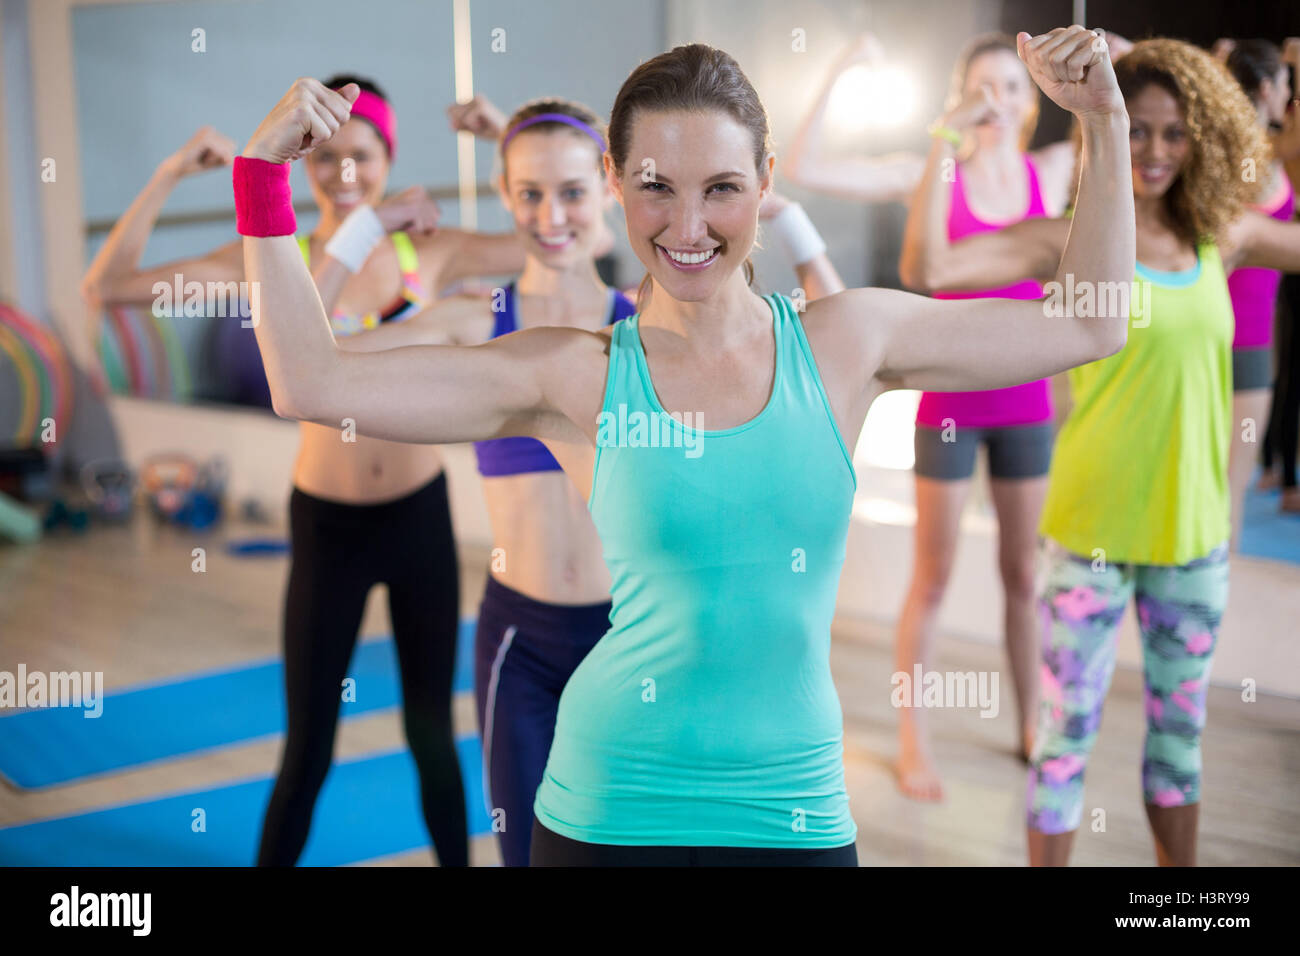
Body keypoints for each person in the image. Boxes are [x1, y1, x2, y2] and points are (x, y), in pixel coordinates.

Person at [235, 25, 1134, 866]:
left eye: (723, 189)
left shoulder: (849, 342)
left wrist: (1103, 121)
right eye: (658, 186)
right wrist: (261, 180)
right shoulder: (572, 374)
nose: (690, 225)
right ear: (619, 186)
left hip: (797, 808)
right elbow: (311, 383)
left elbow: (1090, 324)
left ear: (766, 180)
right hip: (609, 808)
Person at [341, 96, 844, 865]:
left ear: (604, 193)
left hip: (638, 642)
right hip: (524, 638)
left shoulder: (642, 325)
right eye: (528, 193)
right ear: (505, 196)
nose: (551, 215)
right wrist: (364, 225)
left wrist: (783, 213)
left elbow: (829, 347)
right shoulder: (484, 320)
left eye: (573, 192)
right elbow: (319, 363)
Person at [81, 75, 527, 866]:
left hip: (419, 514)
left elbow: (568, 230)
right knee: (309, 747)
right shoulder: (272, 258)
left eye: (363, 155)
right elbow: (106, 287)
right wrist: (169, 173)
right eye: (327, 157)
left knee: (431, 736)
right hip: (328, 525)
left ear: (389, 156)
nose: (344, 173)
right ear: (304, 160)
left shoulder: (431, 246)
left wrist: (506, 138)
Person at [901, 36, 1300, 865]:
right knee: (1062, 743)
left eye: (1174, 133)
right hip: (1089, 533)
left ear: (1203, 140)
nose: (1153, 151)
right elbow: (932, 264)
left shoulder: (1220, 236)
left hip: (1192, 537)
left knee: (1179, 745)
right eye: (1138, 130)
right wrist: (944, 140)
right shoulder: (1067, 240)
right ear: (1105, 133)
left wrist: (1161, 57)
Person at [791, 32, 1126, 800]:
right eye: (982, 89)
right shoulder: (930, 169)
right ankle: (915, 744)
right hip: (947, 403)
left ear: (1032, 95)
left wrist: (1116, 56)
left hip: (1025, 403)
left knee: (1020, 574)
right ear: (958, 101)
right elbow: (807, 167)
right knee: (933, 578)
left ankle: (1032, 727)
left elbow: (1129, 137)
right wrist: (843, 66)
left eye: (1013, 87)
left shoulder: (1053, 168)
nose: (999, 103)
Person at [1218, 40, 1299, 542]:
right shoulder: (1255, 157)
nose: (1290, 96)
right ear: (1266, 88)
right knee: (1228, 489)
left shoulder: (1224, 146)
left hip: (1218, 331)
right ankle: (1206, 609)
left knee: (1212, 485)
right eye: (1286, 84)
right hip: (1241, 339)